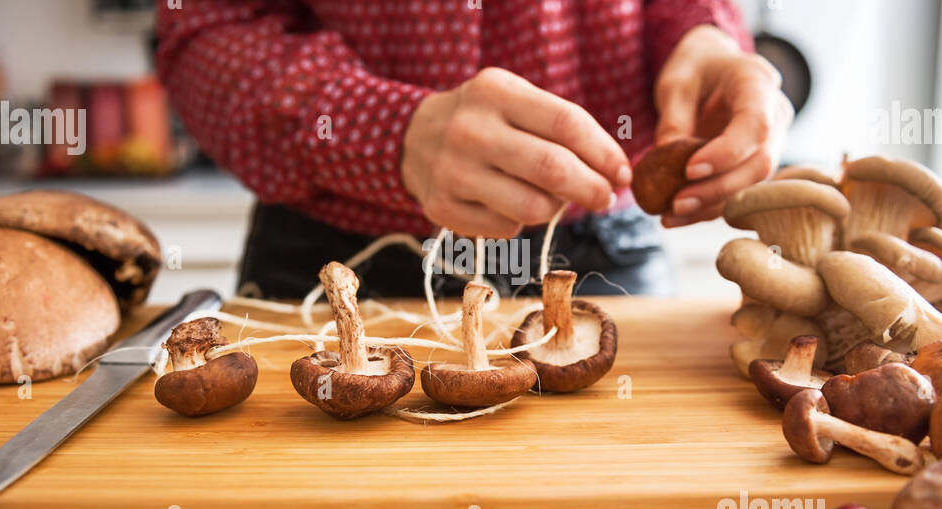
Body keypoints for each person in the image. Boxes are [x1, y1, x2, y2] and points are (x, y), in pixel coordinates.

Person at [156, 1, 792, 298]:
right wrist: (387, 132)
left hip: (604, 255)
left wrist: (703, 36)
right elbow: (203, 26)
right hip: (338, 266)